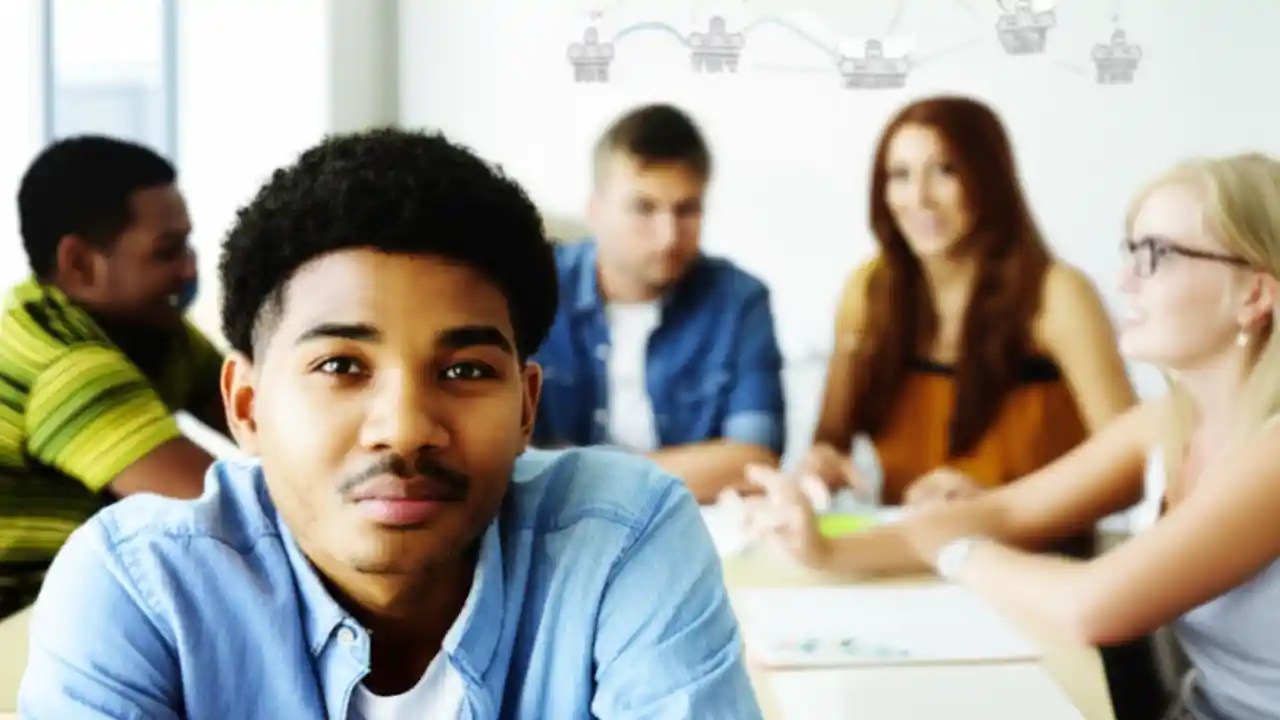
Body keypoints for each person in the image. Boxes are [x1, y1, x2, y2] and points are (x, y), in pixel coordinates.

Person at [19, 128, 762, 719]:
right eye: (341, 366)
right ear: (246, 405)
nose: (405, 429)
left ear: (527, 408)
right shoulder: (140, 586)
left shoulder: (621, 540)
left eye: (466, 370)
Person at [747, 152, 1280, 720]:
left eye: (1158, 255)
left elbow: (1090, 608)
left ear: (1253, 295)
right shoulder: (1166, 423)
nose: (1124, 279)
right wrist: (822, 546)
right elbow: (1000, 515)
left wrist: (957, 552)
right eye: (1131, 250)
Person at [802, 95, 1136, 508]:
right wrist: (820, 467)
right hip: (903, 555)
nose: (919, 197)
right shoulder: (868, 290)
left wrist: (999, 503)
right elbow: (831, 442)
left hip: (1035, 553)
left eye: (946, 171)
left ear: (989, 178)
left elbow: (1134, 464)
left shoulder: (1058, 295)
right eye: (900, 175)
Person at [0, 136, 225, 620]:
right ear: (79, 264)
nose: (190, 269)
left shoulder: (154, 333)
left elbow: (271, 419)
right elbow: (224, 518)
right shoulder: (67, 365)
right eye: (167, 252)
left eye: (188, 245)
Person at [531, 103, 786, 503]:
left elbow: (754, 460)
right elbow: (505, 458)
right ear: (595, 211)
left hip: (688, 533)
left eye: (687, 209)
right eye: (644, 208)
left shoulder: (740, 301)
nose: (669, 235)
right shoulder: (535, 290)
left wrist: (579, 476)